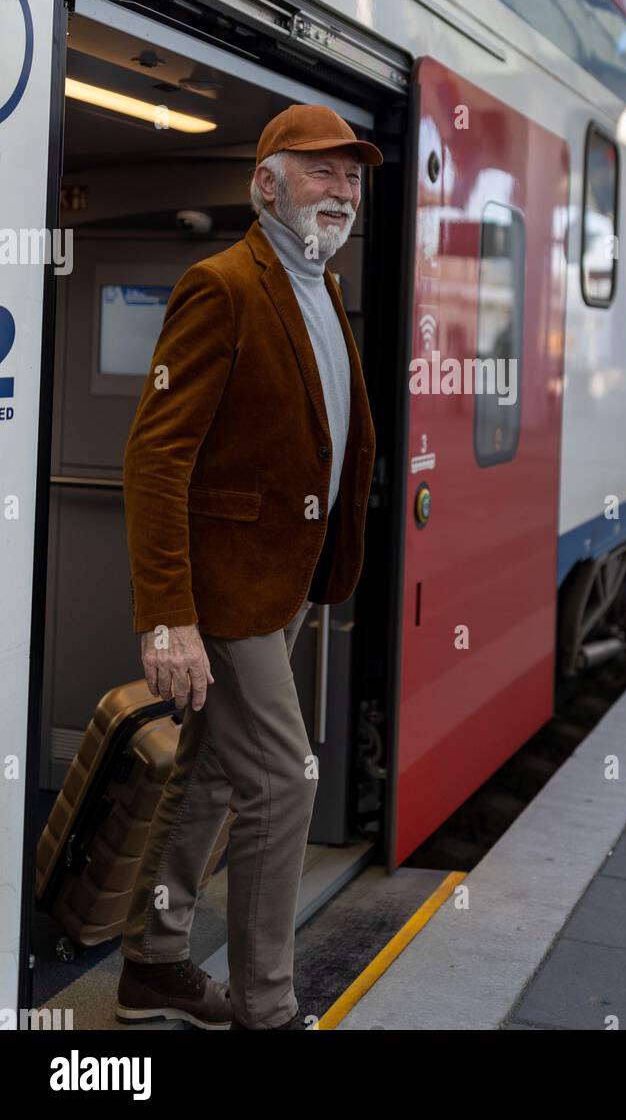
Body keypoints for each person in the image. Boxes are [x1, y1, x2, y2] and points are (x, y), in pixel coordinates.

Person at [115, 105, 382, 1029]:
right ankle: (269, 1008)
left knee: (217, 775)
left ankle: (152, 963)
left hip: (285, 582)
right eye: (321, 172)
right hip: (223, 592)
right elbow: (157, 456)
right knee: (284, 777)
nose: (342, 189)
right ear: (266, 183)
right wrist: (169, 614)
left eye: (352, 176)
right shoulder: (223, 285)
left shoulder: (319, 286)